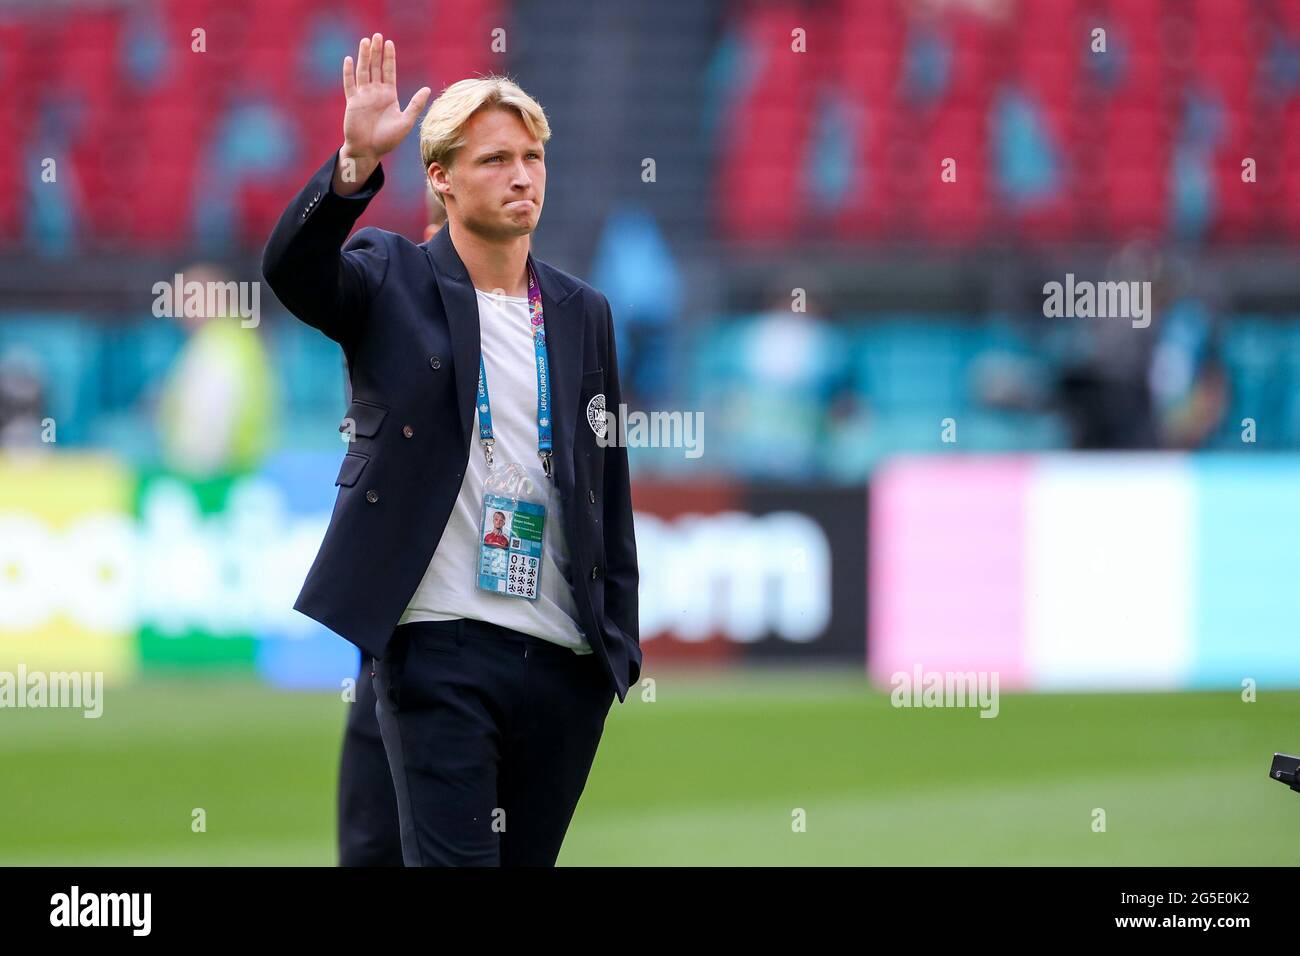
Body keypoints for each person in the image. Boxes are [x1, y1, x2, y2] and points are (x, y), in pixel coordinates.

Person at [262, 34, 641, 867]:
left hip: (562, 659)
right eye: (497, 158)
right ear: (440, 177)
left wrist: (618, 644)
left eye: (533, 158)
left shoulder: (585, 311)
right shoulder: (389, 275)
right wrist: (353, 166)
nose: (522, 176)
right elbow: (293, 271)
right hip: (439, 646)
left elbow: (604, 484)